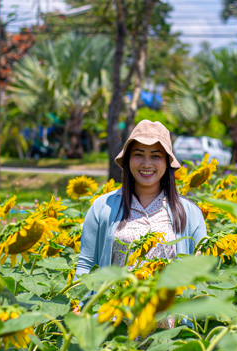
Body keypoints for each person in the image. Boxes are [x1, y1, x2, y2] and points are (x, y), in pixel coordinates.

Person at [75, 120, 208, 281]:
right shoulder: (102, 207)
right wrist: (80, 295)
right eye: (138, 154)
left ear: (167, 162)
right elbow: (86, 265)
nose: (146, 164)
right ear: (128, 159)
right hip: (113, 297)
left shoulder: (190, 213)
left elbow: (201, 271)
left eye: (155, 156)